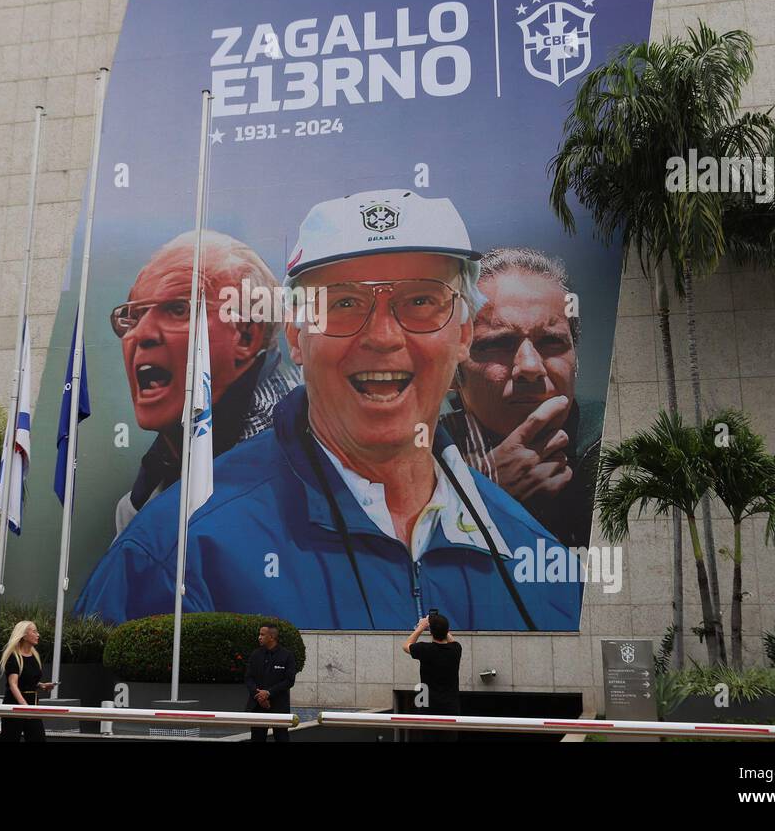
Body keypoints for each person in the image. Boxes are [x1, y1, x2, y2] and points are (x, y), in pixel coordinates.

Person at [77, 190, 582, 631]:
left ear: (464, 335)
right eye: (342, 303)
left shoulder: (540, 565)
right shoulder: (174, 553)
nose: (383, 337)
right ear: (297, 337)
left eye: (420, 301)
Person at [109, 229, 299, 535]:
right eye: (134, 315)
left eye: (178, 309)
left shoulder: (296, 469)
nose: (140, 333)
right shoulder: (140, 501)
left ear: (246, 335)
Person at [443, 248, 602, 548]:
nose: (530, 366)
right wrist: (483, 496)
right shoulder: (412, 461)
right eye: (498, 343)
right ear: (451, 373)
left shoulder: (615, 446)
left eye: (551, 341)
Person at [402, 612, 461, 742]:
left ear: (430, 632)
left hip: (428, 708)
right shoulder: (456, 649)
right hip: (450, 709)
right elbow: (451, 640)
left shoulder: (425, 649)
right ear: (447, 630)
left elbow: (406, 646)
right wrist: (440, 626)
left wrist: (421, 627)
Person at [0, 621, 53, 742]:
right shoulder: (14, 656)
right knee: (10, 738)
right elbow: (13, 684)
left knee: (38, 738)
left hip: (32, 704)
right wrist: (24, 705)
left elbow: (27, 680)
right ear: (23, 635)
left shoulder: (35, 655)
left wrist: (41, 685)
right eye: (34, 631)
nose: (38, 635)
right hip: (15, 704)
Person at [245, 622, 295, 742]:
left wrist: (268, 693)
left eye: (262, 634)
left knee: (282, 738)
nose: (259, 637)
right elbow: (248, 678)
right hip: (258, 706)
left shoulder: (287, 656)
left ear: (272, 637)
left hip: (279, 706)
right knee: (257, 739)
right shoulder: (255, 654)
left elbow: (289, 681)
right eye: (259, 634)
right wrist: (259, 697)